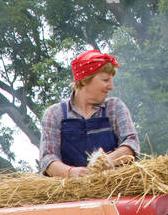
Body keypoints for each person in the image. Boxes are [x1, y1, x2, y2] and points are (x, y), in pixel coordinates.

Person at [39, 49, 140, 177]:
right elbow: (48, 159)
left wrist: (108, 160)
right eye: (105, 80)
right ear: (85, 80)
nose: (111, 86)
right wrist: (71, 173)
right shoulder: (54, 114)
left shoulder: (114, 107)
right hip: (71, 192)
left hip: (115, 189)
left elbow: (131, 143)